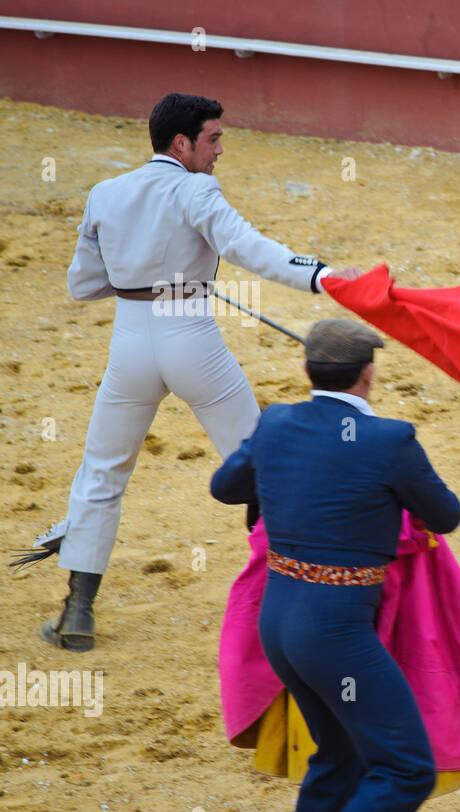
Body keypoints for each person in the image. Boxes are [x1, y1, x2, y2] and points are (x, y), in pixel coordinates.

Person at [26, 92, 359, 652]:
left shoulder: (106, 193)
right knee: (258, 461)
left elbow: (81, 285)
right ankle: (301, 594)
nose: (220, 150)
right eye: (214, 138)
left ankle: (77, 613)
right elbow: (250, 247)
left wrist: (144, 281)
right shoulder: (196, 188)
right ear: (182, 143)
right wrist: (323, 275)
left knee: (102, 471)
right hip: (192, 342)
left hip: (130, 345)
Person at [210, 318, 460, 812]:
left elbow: (224, 487)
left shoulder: (275, 423)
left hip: (279, 622)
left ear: (306, 371)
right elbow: (446, 514)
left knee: (343, 752)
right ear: (368, 375)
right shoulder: (390, 439)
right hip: (336, 635)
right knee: (407, 769)